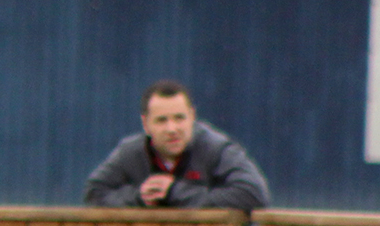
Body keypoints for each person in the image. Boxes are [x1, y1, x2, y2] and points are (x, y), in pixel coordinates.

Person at [84, 80, 270, 210]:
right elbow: (93, 193)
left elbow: (254, 194)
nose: (172, 129)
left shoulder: (217, 149)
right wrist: (139, 197)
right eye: (161, 120)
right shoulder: (130, 152)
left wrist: (174, 192)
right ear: (145, 124)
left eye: (179, 118)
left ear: (192, 116)